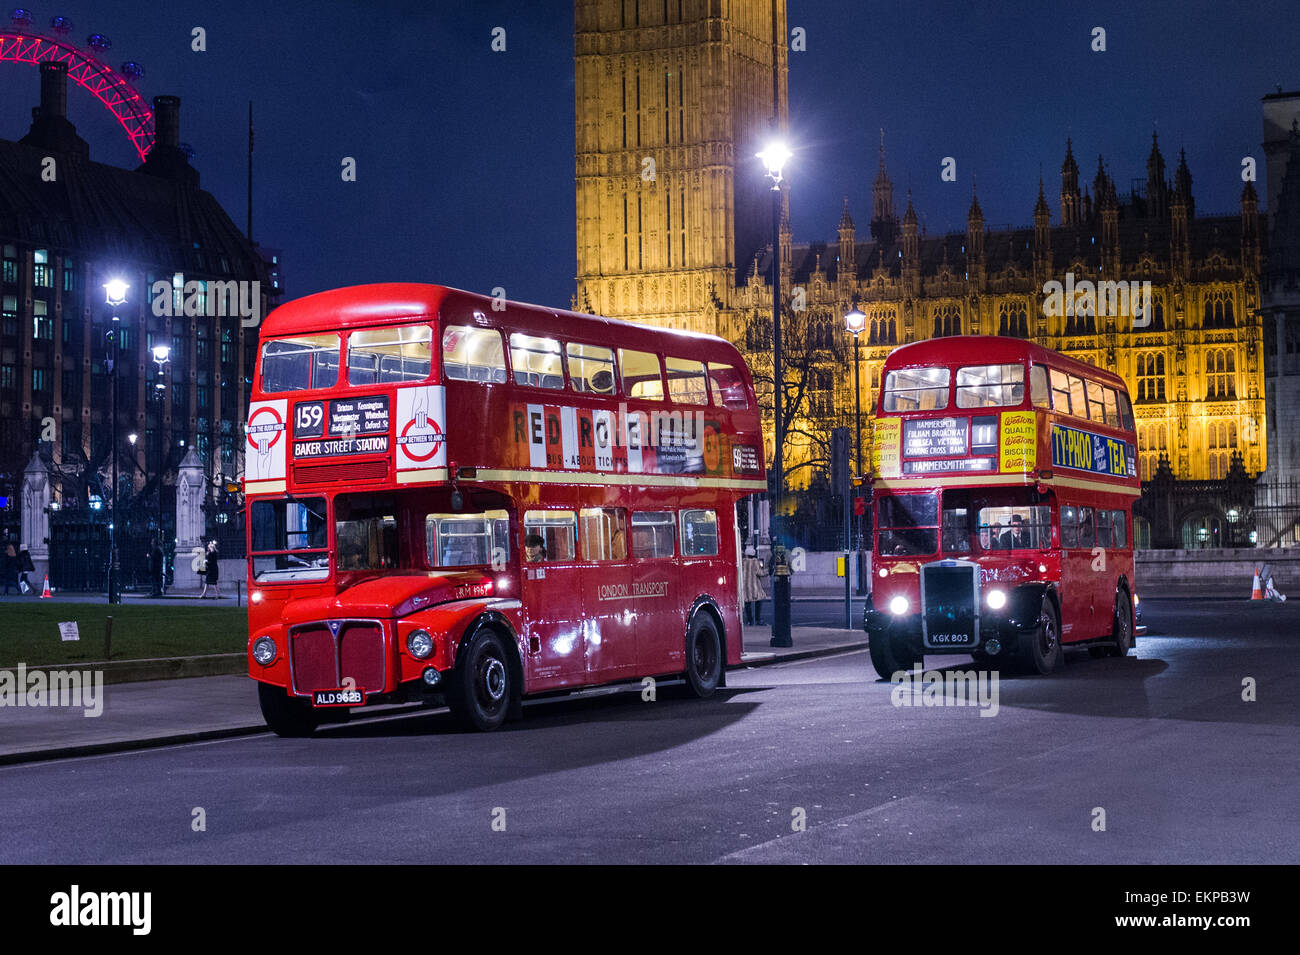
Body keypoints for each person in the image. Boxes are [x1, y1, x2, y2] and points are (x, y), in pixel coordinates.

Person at [741, 545, 767, 625]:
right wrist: (767, 571)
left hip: (745, 586)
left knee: (747, 604)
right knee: (758, 601)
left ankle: (750, 620)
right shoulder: (755, 562)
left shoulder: (743, 561)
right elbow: (760, 573)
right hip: (754, 586)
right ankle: (758, 619)